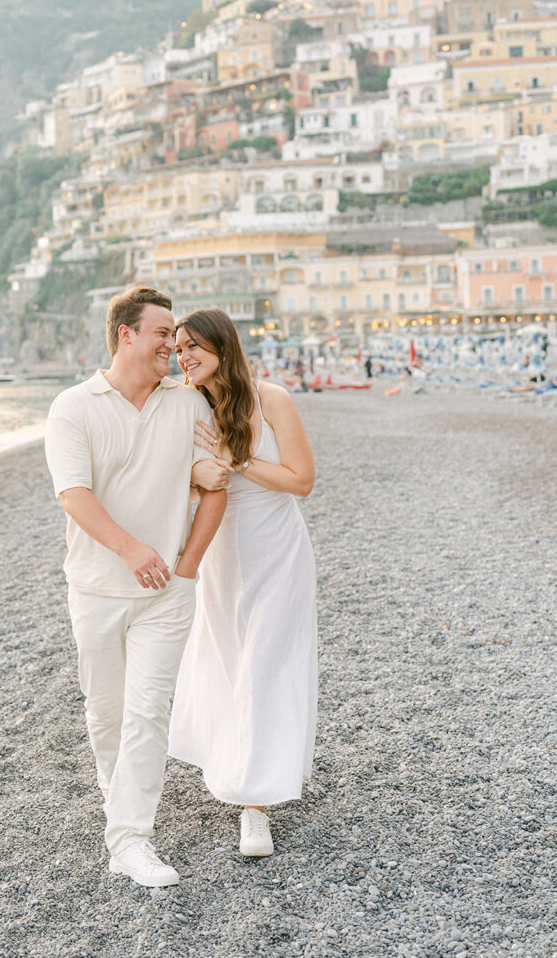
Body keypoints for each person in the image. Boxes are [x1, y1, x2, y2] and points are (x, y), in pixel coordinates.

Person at [44, 286, 226, 888]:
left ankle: (131, 841)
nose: (173, 345)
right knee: (107, 714)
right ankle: (119, 808)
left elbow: (214, 482)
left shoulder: (189, 402)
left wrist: (189, 563)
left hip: (168, 592)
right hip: (95, 587)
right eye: (162, 332)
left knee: (148, 712)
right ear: (126, 334)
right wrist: (130, 549)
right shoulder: (74, 407)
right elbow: (75, 495)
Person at [169, 308, 317, 858]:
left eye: (192, 345)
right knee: (229, 660)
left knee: (265, 663)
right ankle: (237, 759)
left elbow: (302, 481)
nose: (183, 355)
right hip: (221, 553)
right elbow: (178, 483)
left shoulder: (271, 398)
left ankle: (254, 806)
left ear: (221, 344)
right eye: (178, 347)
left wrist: (240, 459)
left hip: (277, 551)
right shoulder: (187, 407)